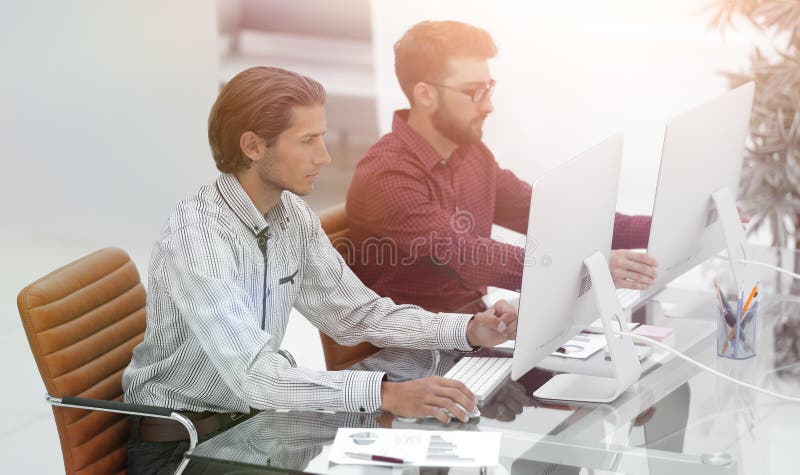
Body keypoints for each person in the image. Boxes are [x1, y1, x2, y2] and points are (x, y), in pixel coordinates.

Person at [121, 66, 517, 474]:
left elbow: (356, 314)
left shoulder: (290, 215)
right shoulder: (198, 239)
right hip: (186, 448)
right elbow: (256, 376)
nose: (325, 157)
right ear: (254, 146)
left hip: (259, 427)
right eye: (308, 140)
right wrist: (385, 393)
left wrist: (468, 328)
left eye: (322, 137)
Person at [346, 20, 657, 314]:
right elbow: (469, 254)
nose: (488, 106)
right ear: (425, 94)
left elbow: (550, 216)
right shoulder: (387, 176)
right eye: (473, 92)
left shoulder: (471, 154)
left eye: (488, 88)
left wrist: (660, 226)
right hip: (414, 353)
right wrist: (590, 268)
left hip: (474, 329)